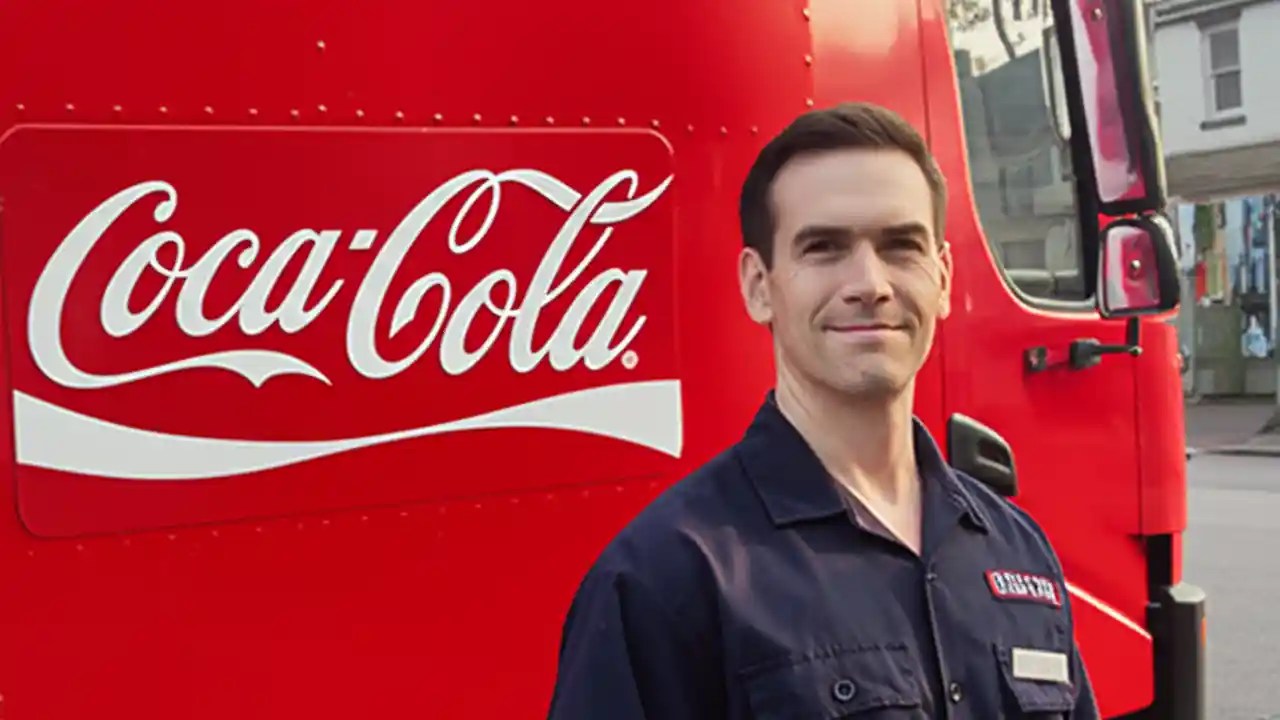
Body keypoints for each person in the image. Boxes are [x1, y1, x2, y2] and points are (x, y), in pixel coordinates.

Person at [546, 102, 1100, 719]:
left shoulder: (1018, 552)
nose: (870, 283)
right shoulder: (665, 578)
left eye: (901, 246)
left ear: (942, 279)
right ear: (760, 286)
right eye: (824, 248)